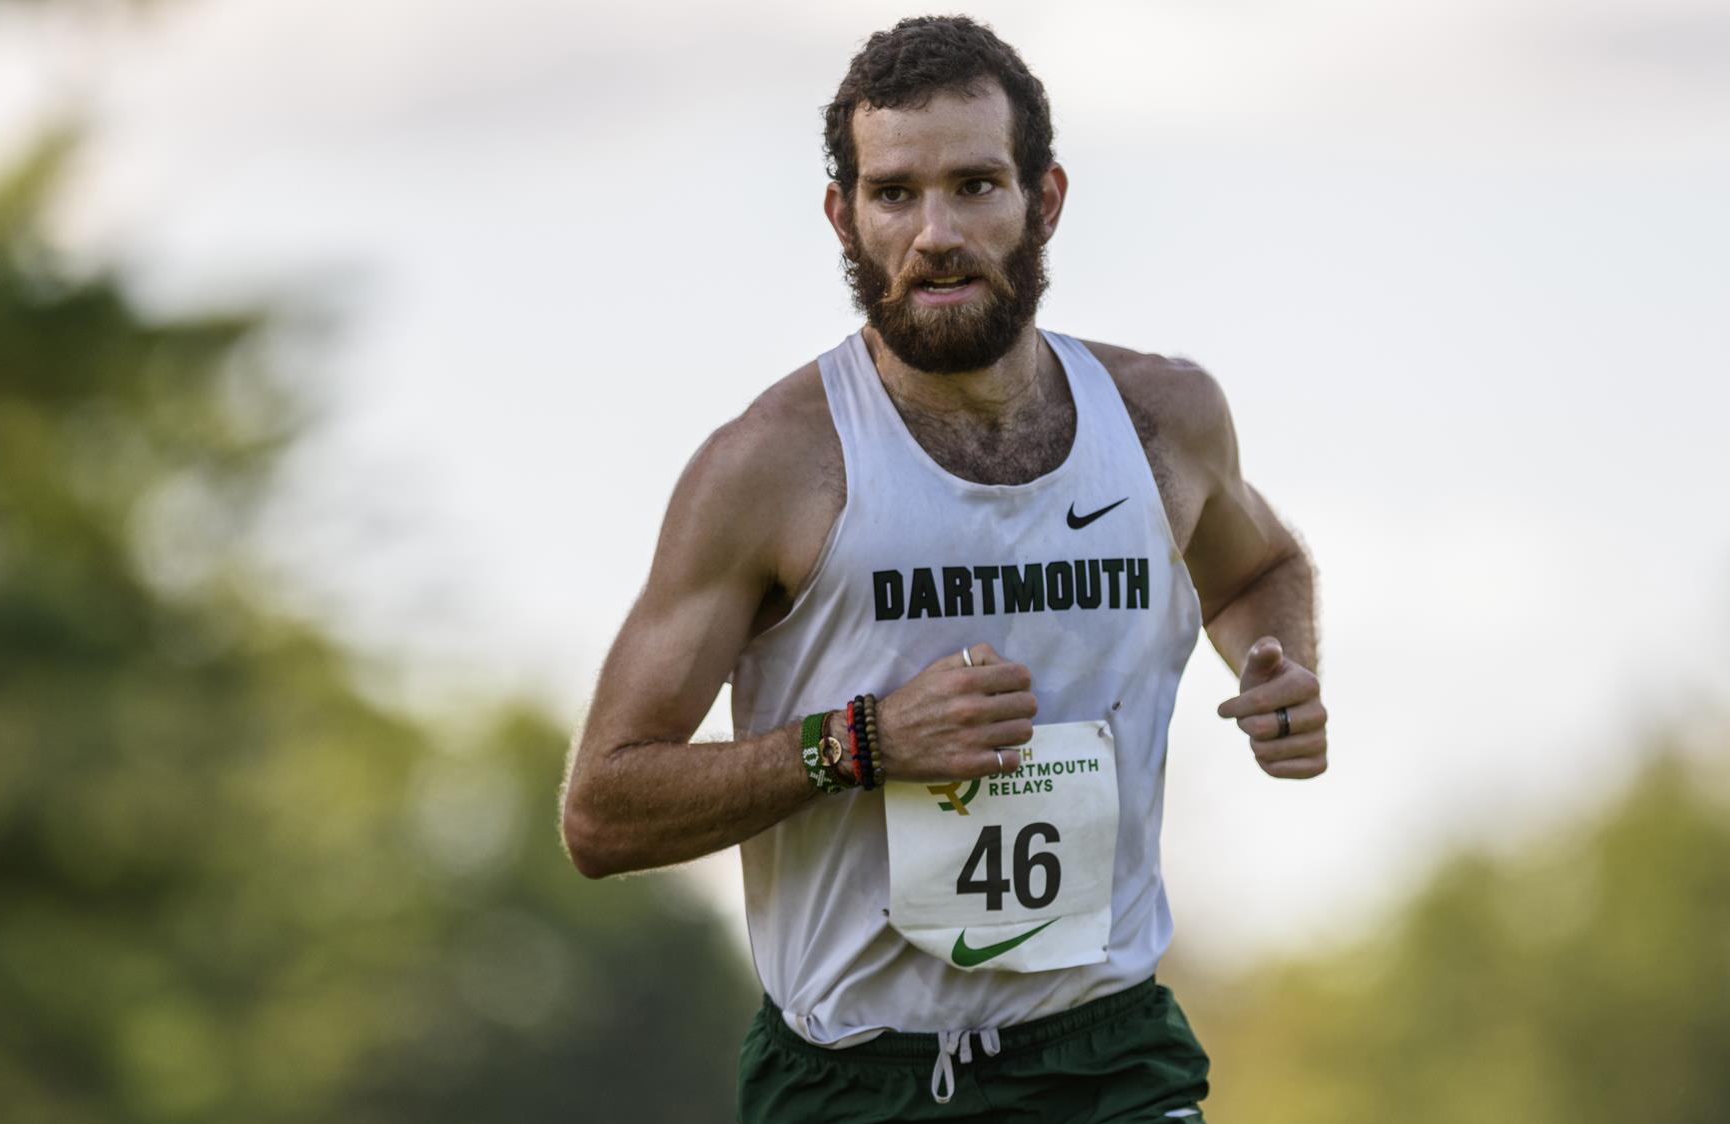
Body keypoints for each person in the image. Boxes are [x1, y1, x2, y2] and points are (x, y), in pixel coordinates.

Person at [561, 15, 1327, 1122]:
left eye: (974, 185)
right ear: (843, 216)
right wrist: (860, 742)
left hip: (1103, 1056)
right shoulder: (771, 467)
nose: (934, 233)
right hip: (854, 1075)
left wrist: (1276, 667)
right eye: (893, 194)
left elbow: (1257, 563)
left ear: (1042, 200)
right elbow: (604, 808)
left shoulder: (1164, 420)